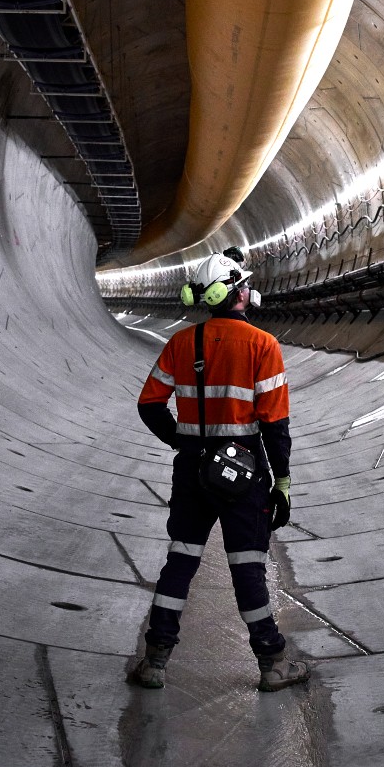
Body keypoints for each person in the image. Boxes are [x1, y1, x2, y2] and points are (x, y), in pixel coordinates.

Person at [128, 251, 310, 692]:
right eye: (243, 284)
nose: (248, 289)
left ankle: (155, 660)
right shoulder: (263, 345)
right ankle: (272, 662)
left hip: (192, 468)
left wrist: (180, 439)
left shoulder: (180, 343)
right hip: (243, 471)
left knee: (181, 559)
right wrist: (282, 482)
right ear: (236, 294)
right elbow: (275, 425)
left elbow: (149, 405)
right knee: (247, 566)